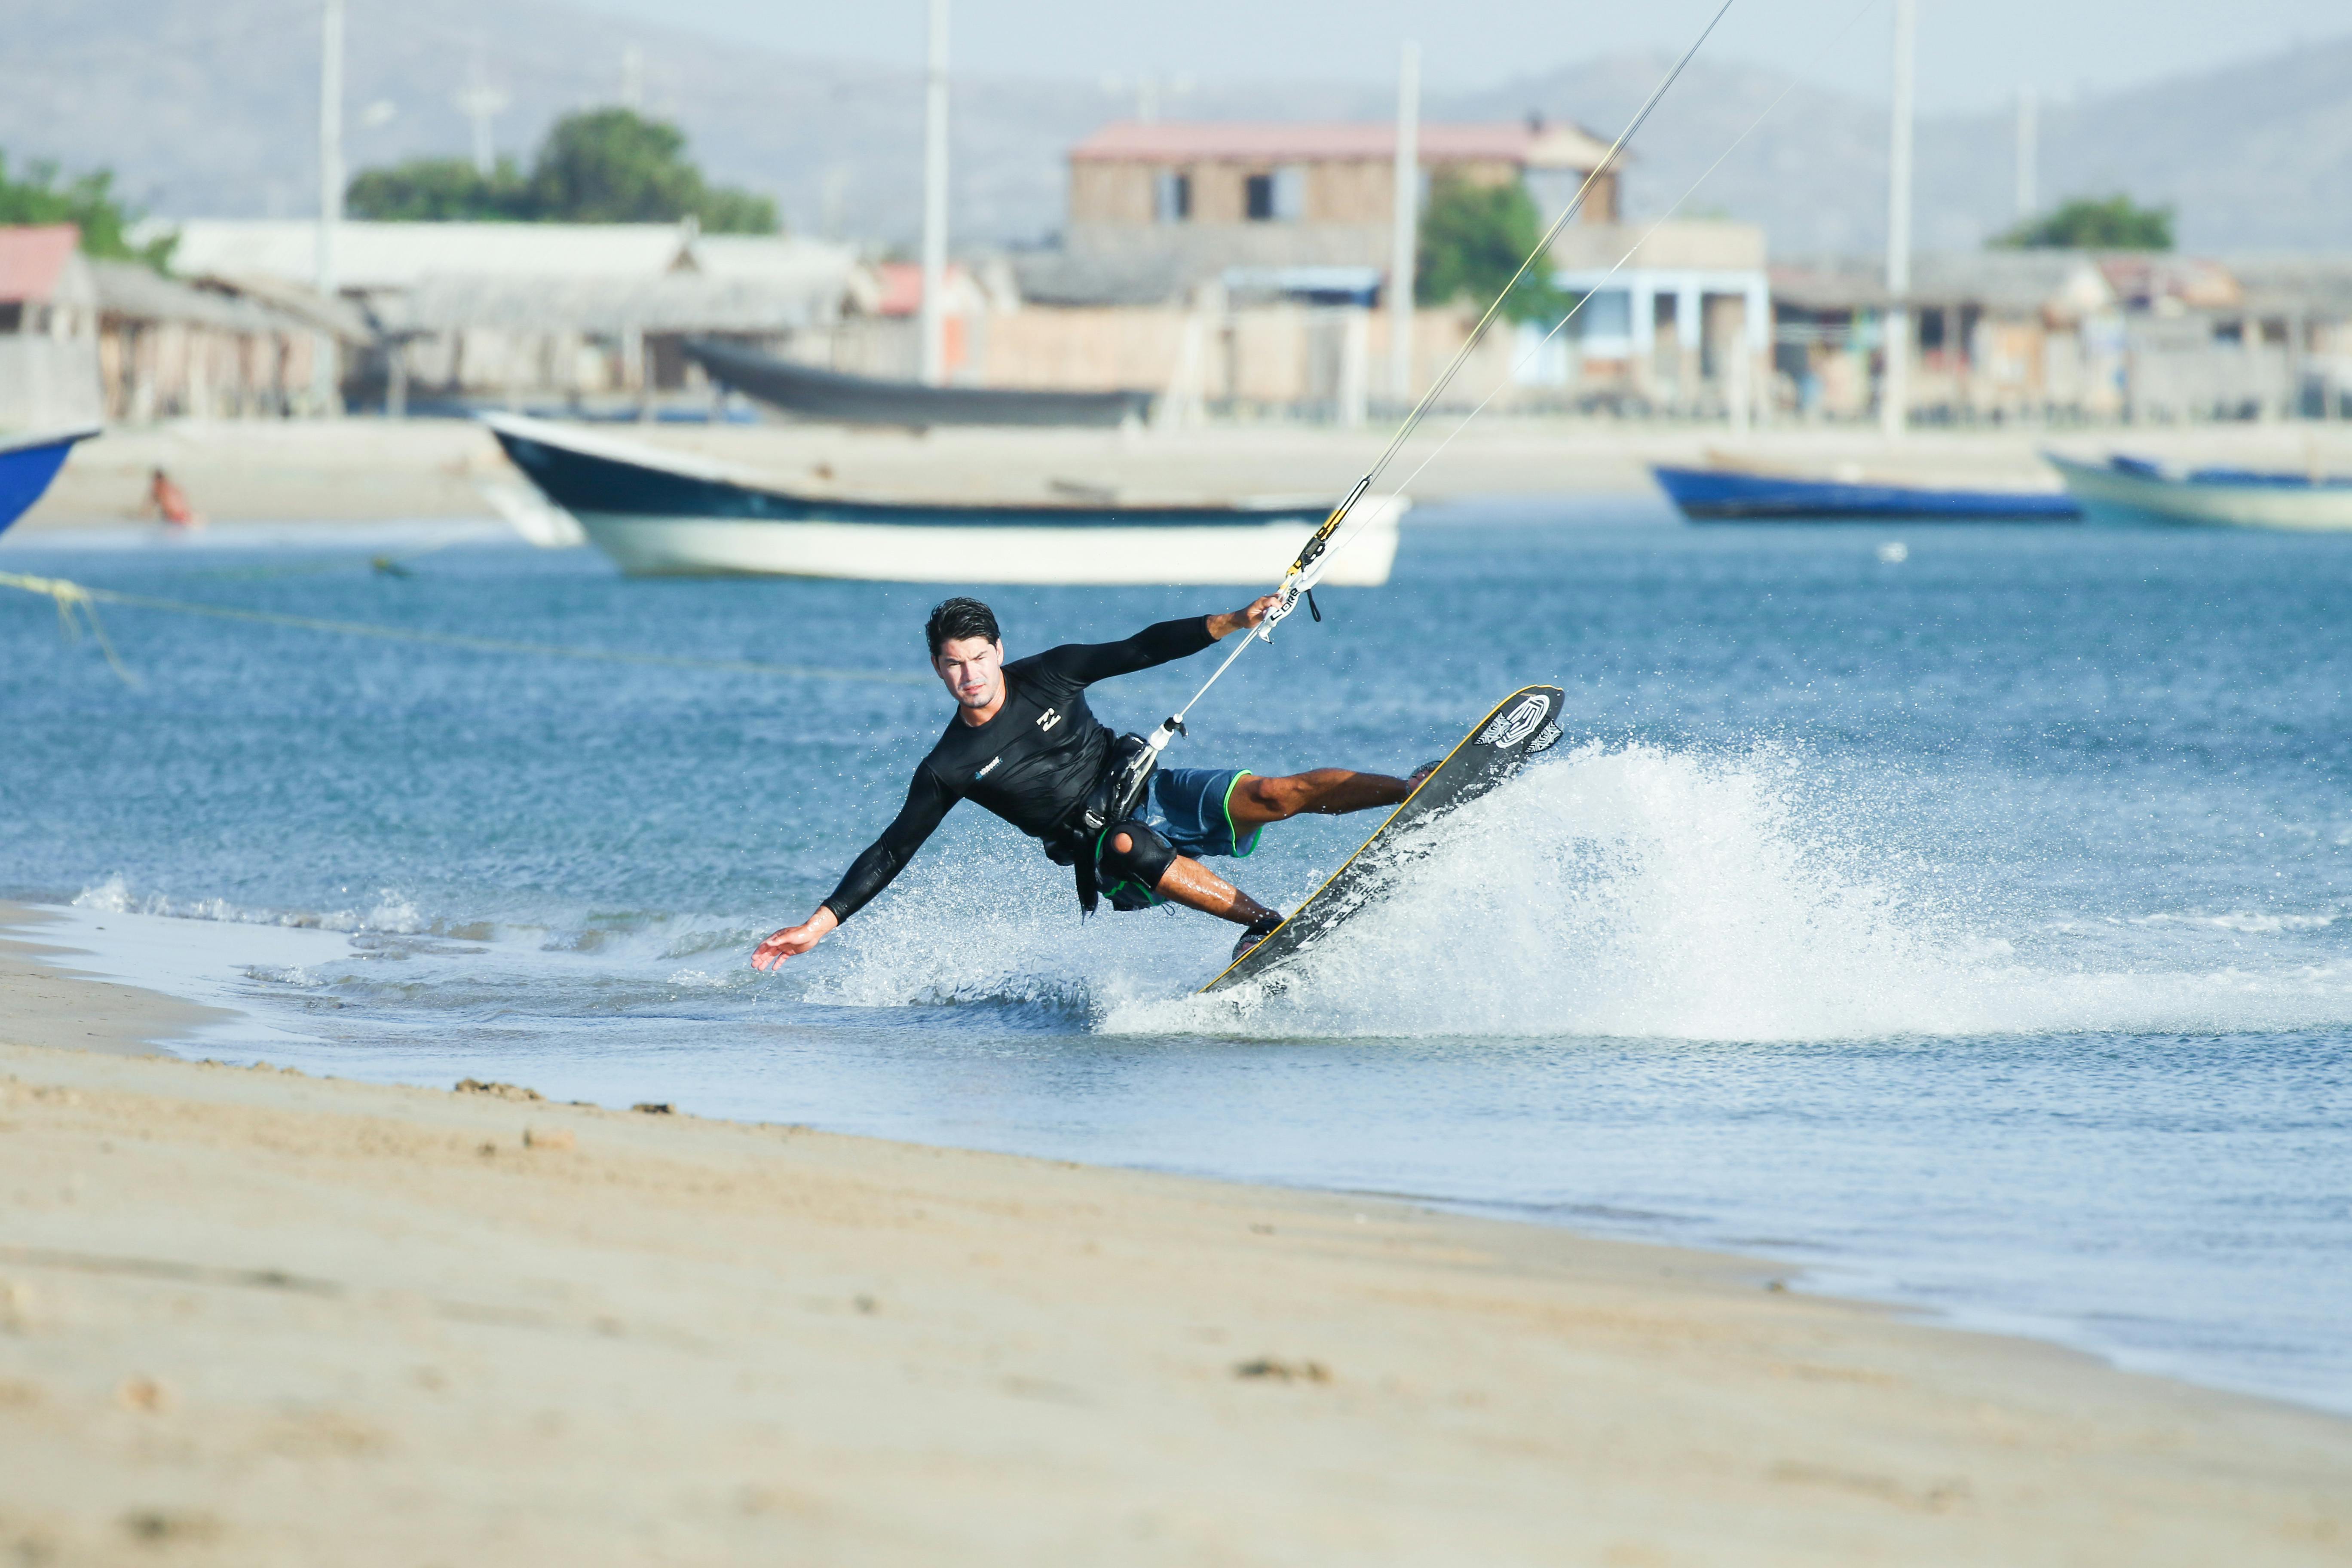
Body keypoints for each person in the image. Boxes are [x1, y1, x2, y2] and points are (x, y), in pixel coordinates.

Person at [752, 596, 1431, 971]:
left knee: (1274, 796)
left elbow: (1139, 647)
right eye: (955, 665)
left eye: (980, 659)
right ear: (938, 668)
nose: (972, 676)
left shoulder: (1050, 672)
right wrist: (819, 925)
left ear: (1000, 652)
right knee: (1129, 847)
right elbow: (893, 849)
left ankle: (1408, 789)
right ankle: (1268, 928)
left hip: (1152, 788)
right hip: (1107, 851)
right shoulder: (949, 765)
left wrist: (1231, 622)